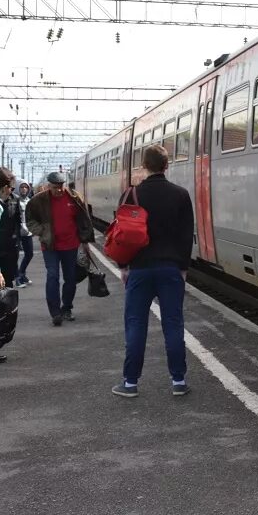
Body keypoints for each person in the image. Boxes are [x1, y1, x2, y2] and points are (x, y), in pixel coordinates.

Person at [113, 145, 194, 399]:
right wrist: (183, 268)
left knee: (136, 324)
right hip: (170, 269)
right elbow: (185, 236)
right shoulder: (180, 195)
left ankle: (130, 383)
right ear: (166, 165)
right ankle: (178, 381)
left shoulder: (130, 195)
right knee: (173, 323)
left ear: (143, 166)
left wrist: (123, 267)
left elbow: (121, 236)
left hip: (139, 269)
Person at [25, 171, 92, 326]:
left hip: (71, 245)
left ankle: (66, 308)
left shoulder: (74, 198)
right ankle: (55, 312)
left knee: (70, 278)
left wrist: (85, 240)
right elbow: (30, 220)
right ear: (49, 186)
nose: (59, 190)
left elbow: (83, 219)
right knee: (53, 276)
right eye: (55, 187)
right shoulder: (39, 200)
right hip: (50, 245)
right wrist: (41, 231)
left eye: (61, 186)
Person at [0, 180, 23, 287]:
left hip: (11, 242)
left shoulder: (15, 199)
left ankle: (8, 296)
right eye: (9, 187)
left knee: (9, 274)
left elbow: (18, 219)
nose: (10, 190)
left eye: (12, 188)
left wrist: (17, 237)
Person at [15, 182, 35, 287]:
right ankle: (18, 277)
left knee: (29, 253)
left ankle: (21, 274)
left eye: (26, 187)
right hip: (17, 231)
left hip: (27, 231)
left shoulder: (29, 201)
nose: (24, 189)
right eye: (21, 187)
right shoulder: (14, 200)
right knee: (15, 255)